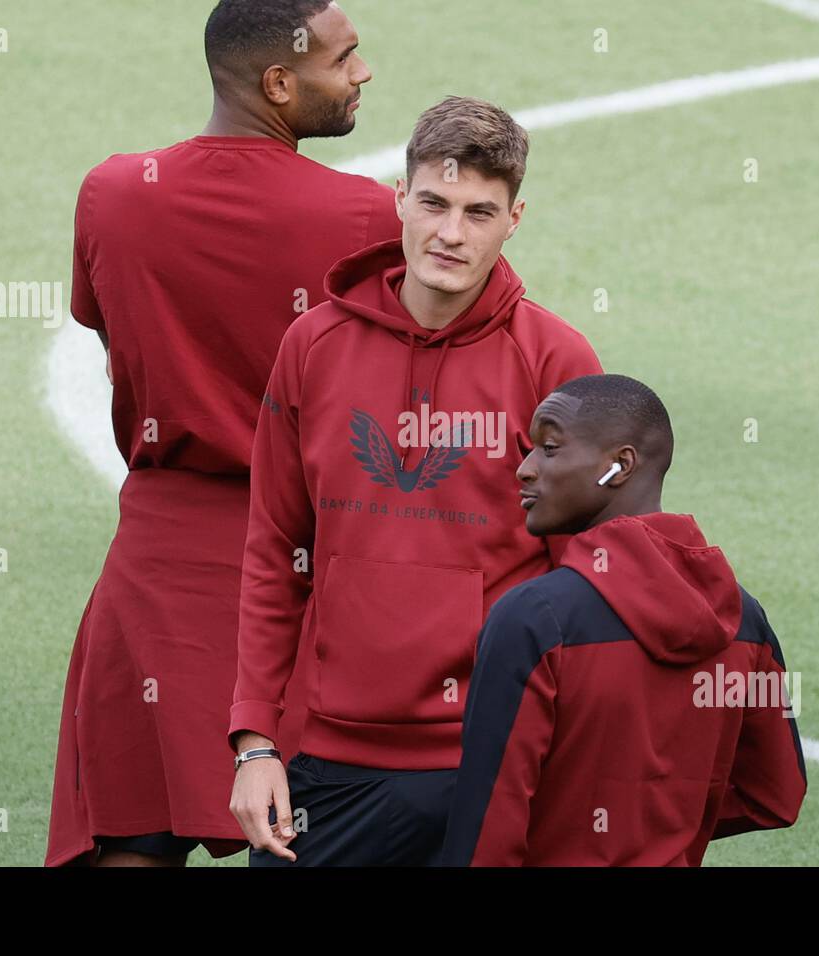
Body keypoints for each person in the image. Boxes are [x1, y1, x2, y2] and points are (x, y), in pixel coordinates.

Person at [45, 0, 400, 867]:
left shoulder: (115, 194)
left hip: (157, 567)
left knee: (131, 840)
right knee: (325, 839)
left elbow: (110, 334)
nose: (362, 74)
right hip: (313, 571)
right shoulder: (365, 219)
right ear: (279, 82)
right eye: (345, 58)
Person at [228, 96, 604, 866]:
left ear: (514, 219)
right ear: (399, 197)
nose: (450, 234)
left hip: (492, 755)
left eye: (479, 212)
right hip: (329, 759)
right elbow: (275, 551)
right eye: (433, 203)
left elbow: (586, 582)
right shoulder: (312, 346)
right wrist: (254, 742)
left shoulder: (557, 363)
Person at [441, 374, 806, 865]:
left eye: (548, 448)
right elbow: (776, 792)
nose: (524, 469)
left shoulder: (532, 619)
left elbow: (488, 831)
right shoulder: (745, 618)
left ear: (619, 466)